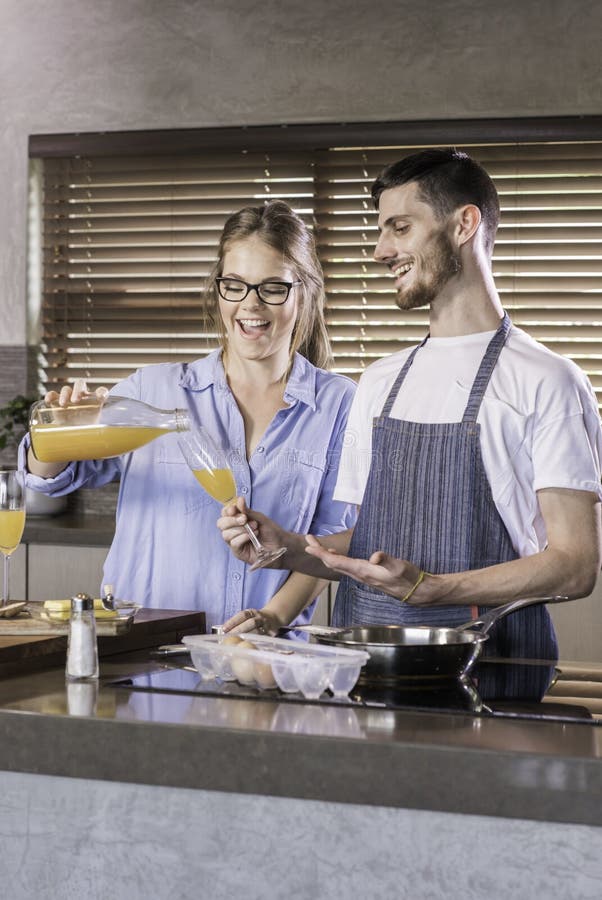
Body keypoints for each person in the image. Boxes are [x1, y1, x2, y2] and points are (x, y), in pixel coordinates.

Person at [218, 149, 602, 659]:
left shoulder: (548, 381)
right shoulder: (380, 381)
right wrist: (285, 547)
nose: (380, 251)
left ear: (465, 223)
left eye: (399, 228)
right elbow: (368, 543)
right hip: (369, 671)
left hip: (487, 676)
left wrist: (434, 589)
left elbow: (575, 565)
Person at [20, 200, 356, 632]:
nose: (250, 305)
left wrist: (271, 618)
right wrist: (59, 429)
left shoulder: (338, 404)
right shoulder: (152, 390)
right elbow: (49, 476)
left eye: (273, 288)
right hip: (143, 653)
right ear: (217, 290)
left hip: (263, 655)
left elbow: (332, 544)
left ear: (304, 293)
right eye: (234, 285)